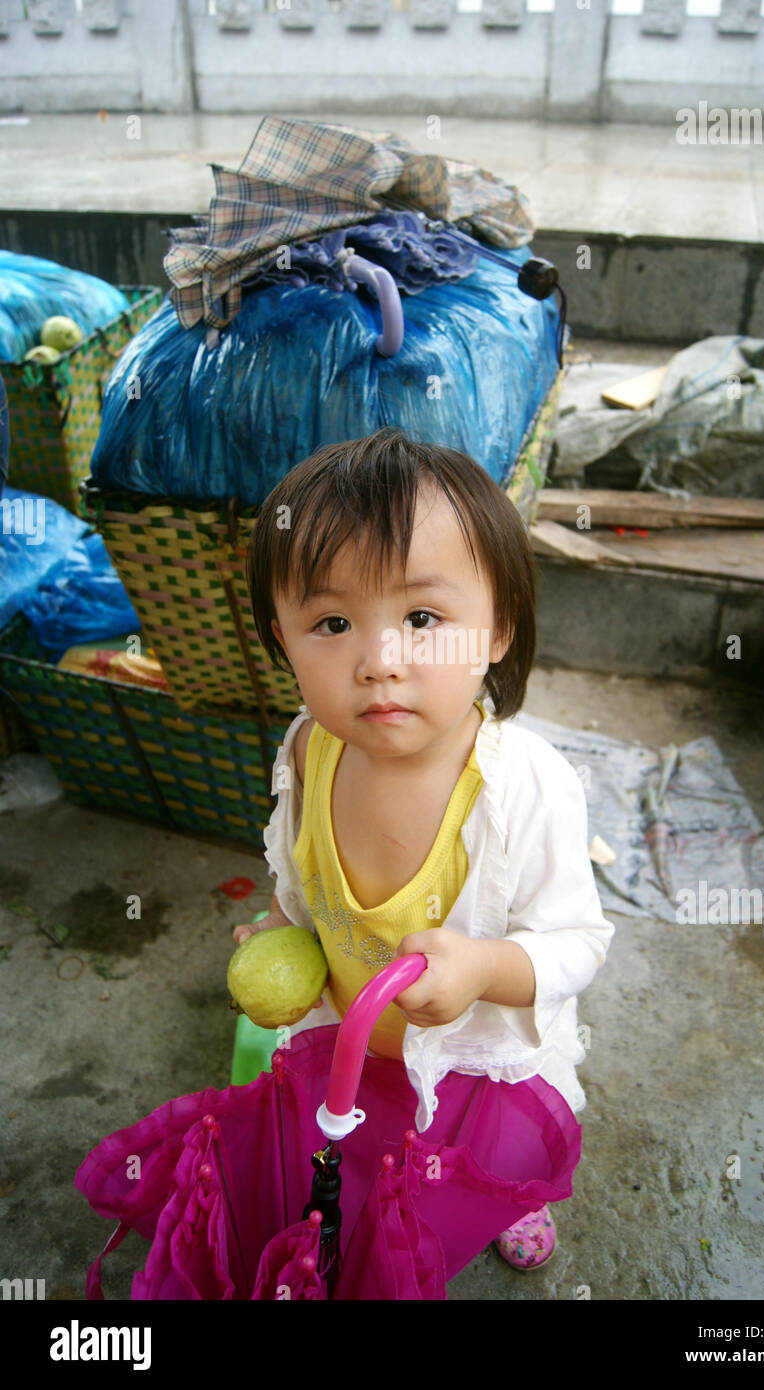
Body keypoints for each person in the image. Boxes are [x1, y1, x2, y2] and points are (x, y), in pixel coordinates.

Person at [233, 427, 615, 1274]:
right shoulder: (308, 749)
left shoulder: (524, 789)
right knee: (374, 1165)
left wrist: (482, 968)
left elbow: (579, 943)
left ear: (498, 628)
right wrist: (280, 925)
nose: (379, 661)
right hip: (353, 1040)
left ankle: (508, 1198)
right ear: (281, 636)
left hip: (477, 1062)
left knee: (484, 1161)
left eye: (422, 616)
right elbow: (299, 870)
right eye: (331, 621)